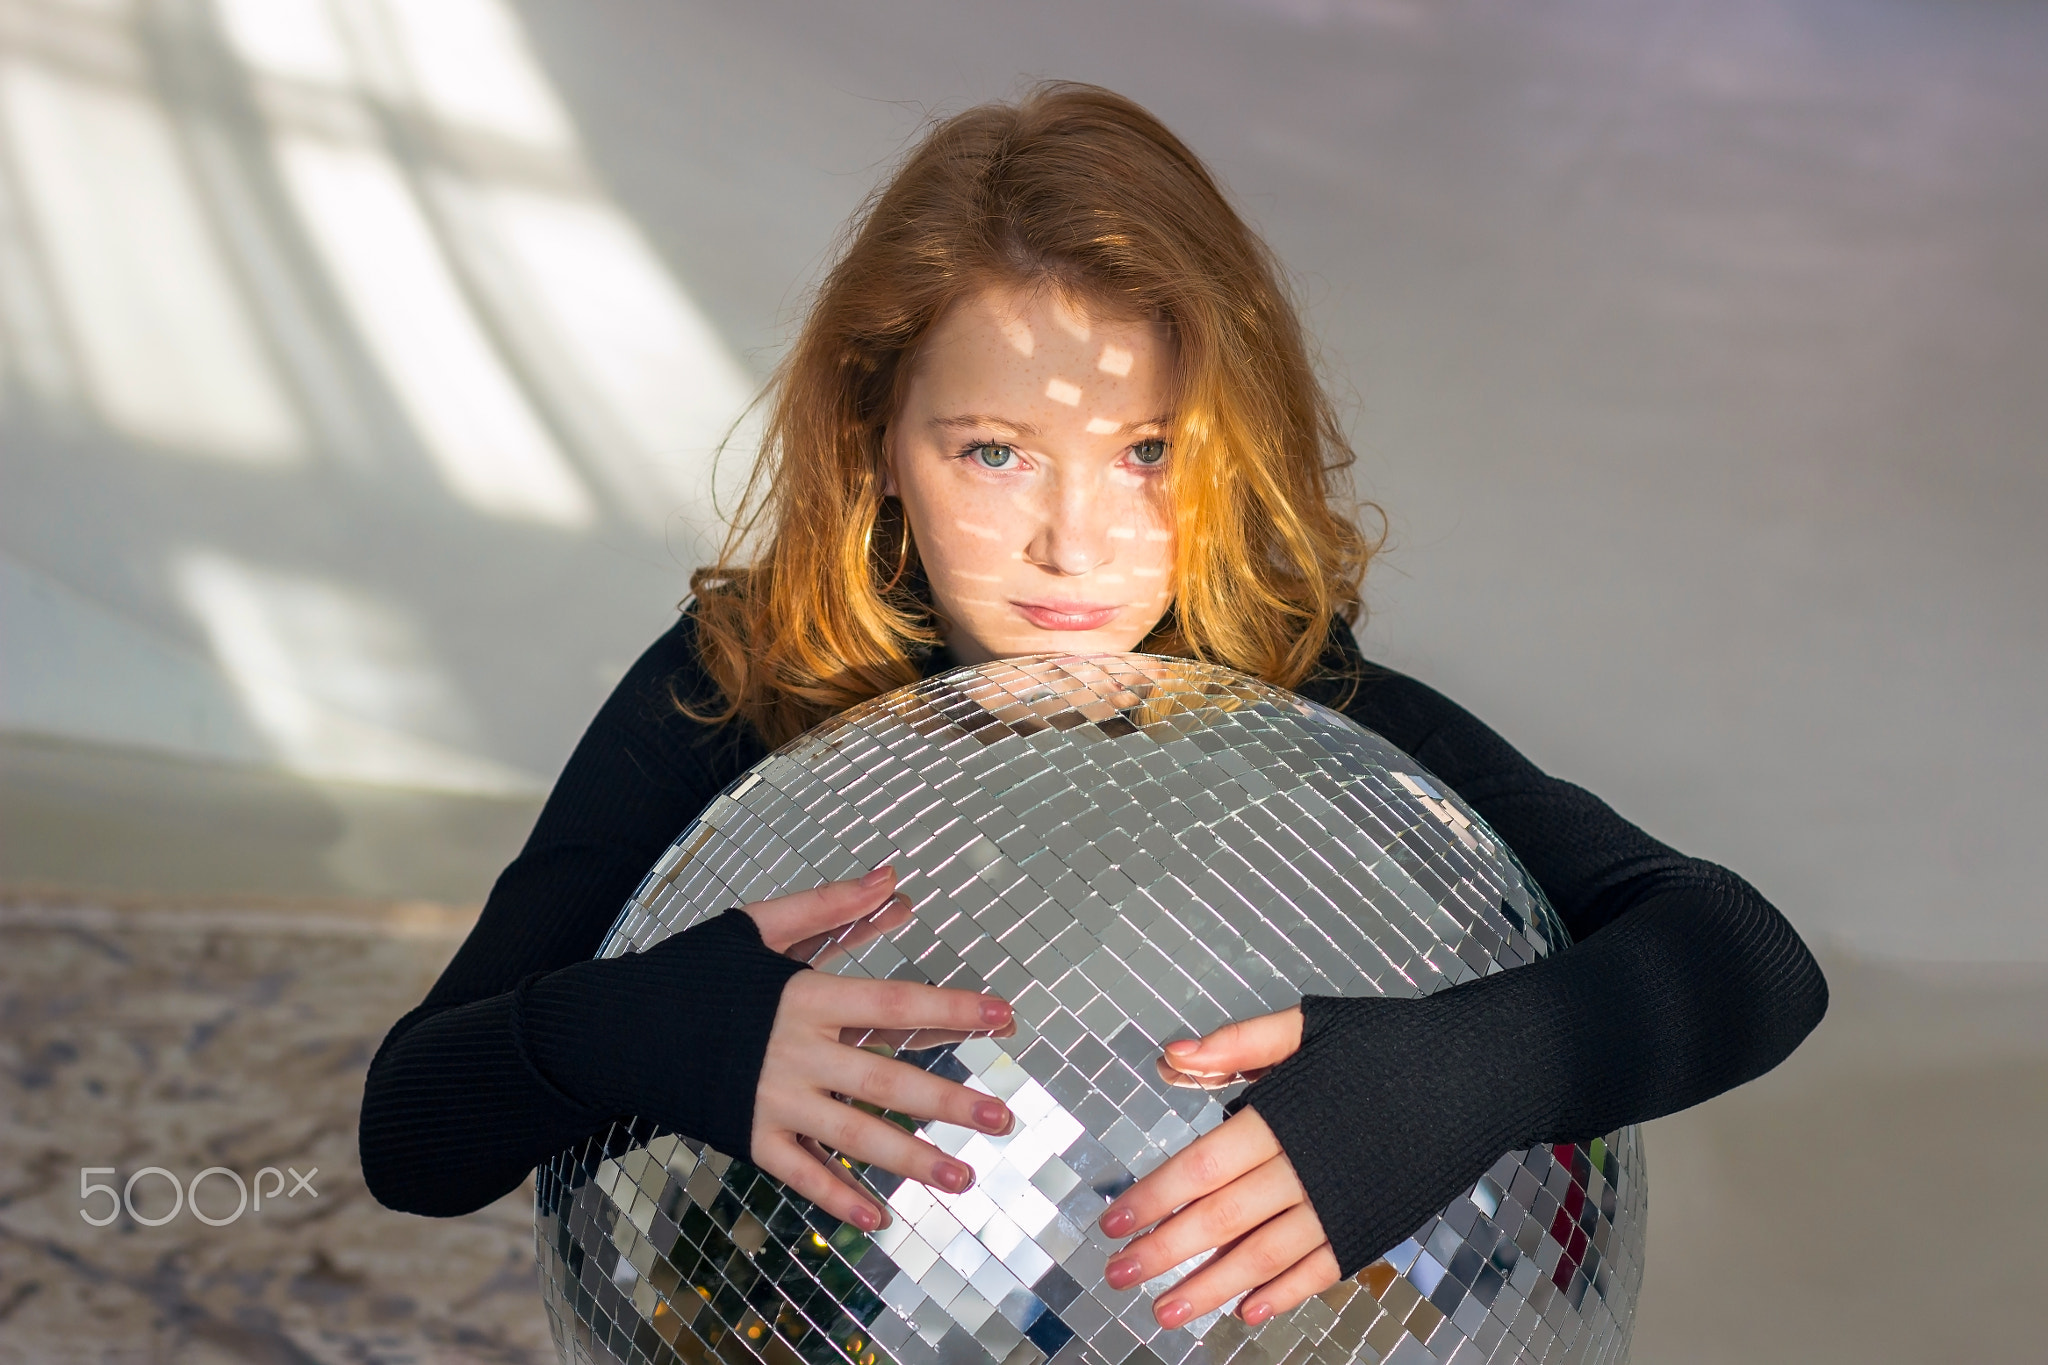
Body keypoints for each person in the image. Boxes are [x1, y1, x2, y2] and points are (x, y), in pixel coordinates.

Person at [359, 83, 1827, 1334]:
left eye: (1145, 452)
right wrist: (644, 1029)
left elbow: (1742, 952)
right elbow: (413, 1130)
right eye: (994, 451)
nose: (1077, 546)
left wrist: (1457, 1077)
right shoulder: (748, 674)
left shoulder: (1296, 708)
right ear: (875, 440)